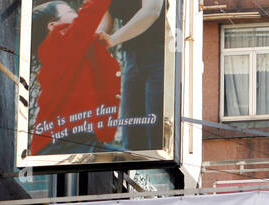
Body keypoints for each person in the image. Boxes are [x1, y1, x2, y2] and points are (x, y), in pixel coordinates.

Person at [29, 0, 122, 156]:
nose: (78, 15)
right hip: (60, 143)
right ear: (52, 26)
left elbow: (100, 24)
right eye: (72, 13)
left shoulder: (72, 52)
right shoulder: (60, 43)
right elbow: (91, 13)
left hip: (77, 141)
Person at [104, 0, 166, 152]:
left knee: (158, 135)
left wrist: (113, 39)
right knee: (132, 136)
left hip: (163, 54)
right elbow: (103, 27)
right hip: (131, 58)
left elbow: (151, 12)